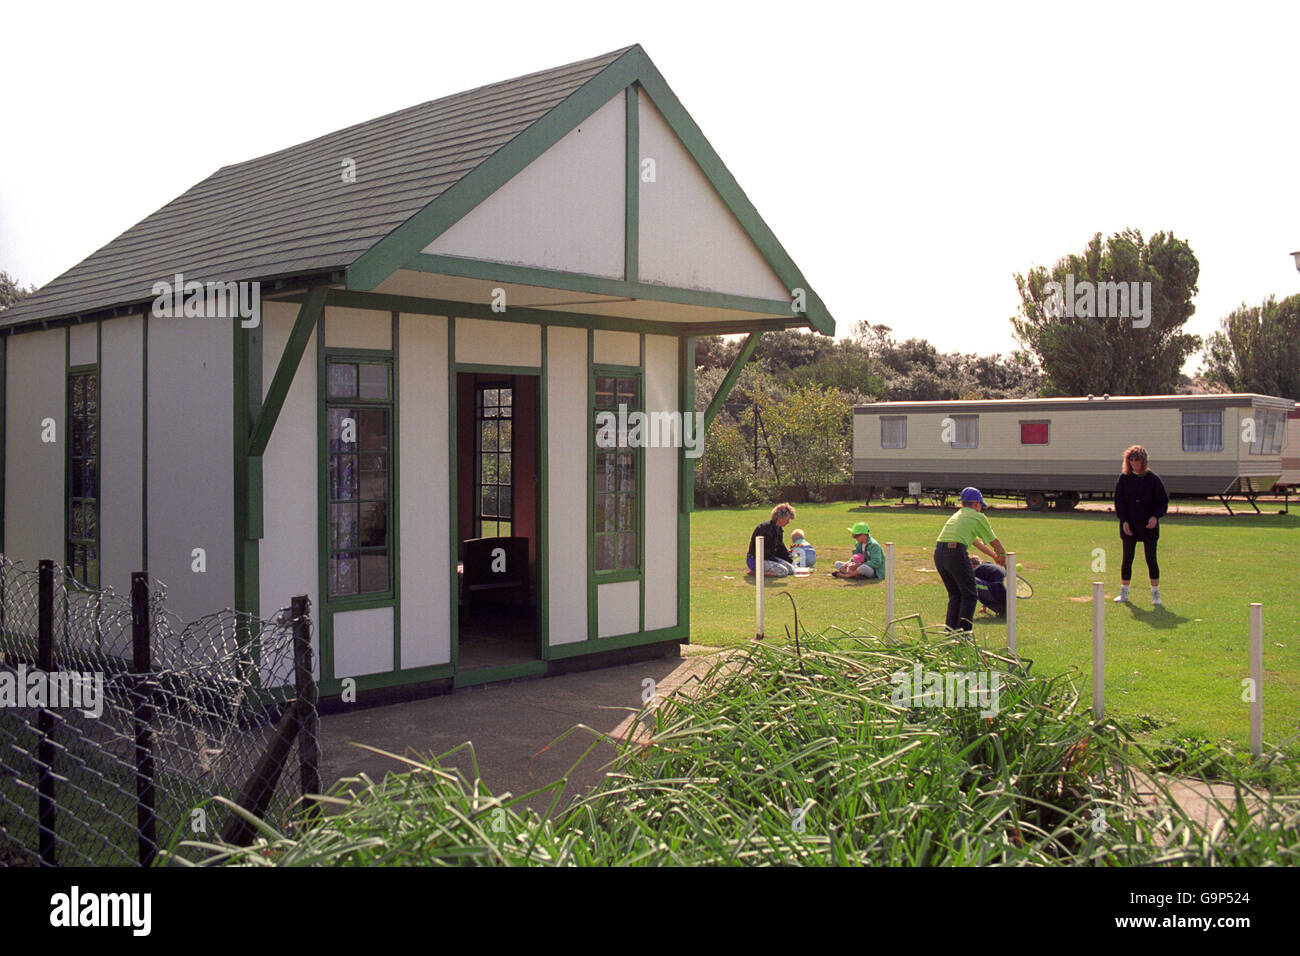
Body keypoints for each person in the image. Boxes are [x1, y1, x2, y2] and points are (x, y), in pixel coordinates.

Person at [933, 487, 1007, 633]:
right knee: (970, 594)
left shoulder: (958, 516)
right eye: (981, 505)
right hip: (955, 553)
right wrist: (1003, 555)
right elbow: (993, 541)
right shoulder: (977, 517)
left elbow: (976, 542)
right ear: (977, 503)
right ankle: (964, 633)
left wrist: (994, 556)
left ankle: (950, 632)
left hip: (939, 554)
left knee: (955, 594)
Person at [1113, 444, 1169, 606]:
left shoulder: (1153, 479)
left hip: (1148, 526)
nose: (1134, 463)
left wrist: (1155, 517)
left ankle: (1155, 594)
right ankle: (1124, 592)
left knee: (1151, 559)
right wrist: (1123, 520)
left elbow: (1162, 502)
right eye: (1131, 460)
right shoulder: (1124, 479)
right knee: (1127, 559)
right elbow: (1119, 502)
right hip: (1129, 525)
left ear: (1143, 461)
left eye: (1136, 460)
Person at [746, 503, 798, 577]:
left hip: (769, 558)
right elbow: (764, 551)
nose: (788, 522)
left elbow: (780, 548)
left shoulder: (779, 530)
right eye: (787, 520)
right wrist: (777, 561)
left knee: (791, 569)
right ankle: (755, 572)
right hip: (756, 559)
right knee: (783, 571)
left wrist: (790, 560)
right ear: (780, 518)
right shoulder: (765, 528)